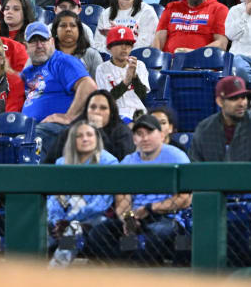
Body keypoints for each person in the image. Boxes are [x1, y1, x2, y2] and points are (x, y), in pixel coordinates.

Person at [86, 114, 191, 261]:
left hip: (167, 217)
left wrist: (149, 208)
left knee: (153, 235)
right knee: (99, 233)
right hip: (136, 217)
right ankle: (120, 268)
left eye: (149, 133)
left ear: (161, 135)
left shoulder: (176, 156)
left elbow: (184, 200)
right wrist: (128, 220)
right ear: (134, 139)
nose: (145, 138)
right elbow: (122, 201)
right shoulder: (128, 161)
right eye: (139, 134)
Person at [46, 120, 117, 267]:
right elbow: (54, 199)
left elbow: (101, 204)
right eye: (79, 136)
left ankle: (55, 271)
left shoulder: (108, 162)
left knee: (73, 229)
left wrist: (70, 221)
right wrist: (57, 221)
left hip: (93, 220)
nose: (85, 139)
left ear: (96, 138)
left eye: (89, 135)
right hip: (62, 221)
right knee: (40, 226)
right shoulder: (61, 163)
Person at [21, 22, 97, 152]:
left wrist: (68, 116)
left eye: (43, 40)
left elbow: (88, 86)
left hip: (56, 130)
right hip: (31, 130)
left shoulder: (61, 61)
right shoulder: (27, 73)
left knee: (27, 144)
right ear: (25, 47)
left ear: (52, 42)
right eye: (33, 41)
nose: (39, 45)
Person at [188, 75, 251, 162]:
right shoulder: (204, 129)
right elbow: (195, 165)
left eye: (243, 97)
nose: (241, 103)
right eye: (234, 98)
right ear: (220, 101)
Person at [44, 90, 134, 163]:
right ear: (86, 111)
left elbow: (123, 166)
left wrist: (98, 130)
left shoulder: (123, 133)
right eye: (93, 107)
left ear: (111, 112)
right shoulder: (71, 130)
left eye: (103, 108)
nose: (97, 112)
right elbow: (50, 163)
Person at [155, 0, 229, 53]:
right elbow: (158, 41)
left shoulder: (219, 9)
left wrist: (193, 53)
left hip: (202, 60)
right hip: (170, 60)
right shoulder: (171, 7)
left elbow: (221, 44)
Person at [92, 0, 159, 52]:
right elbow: (98, 46)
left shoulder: (147, 12)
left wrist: (120, 52)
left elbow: (144, 44)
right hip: (109, 59)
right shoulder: (106, 14)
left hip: (136, 58)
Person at [95, 26, 150, 121]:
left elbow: (143, 95)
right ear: (109, 47)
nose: (124, 47)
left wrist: (134, 77)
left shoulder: (139, 65)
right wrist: (126, 82)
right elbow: (107, 99)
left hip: (139, 112)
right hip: (115, 114)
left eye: (128, 44)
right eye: (119, 43)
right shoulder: (102, 69)